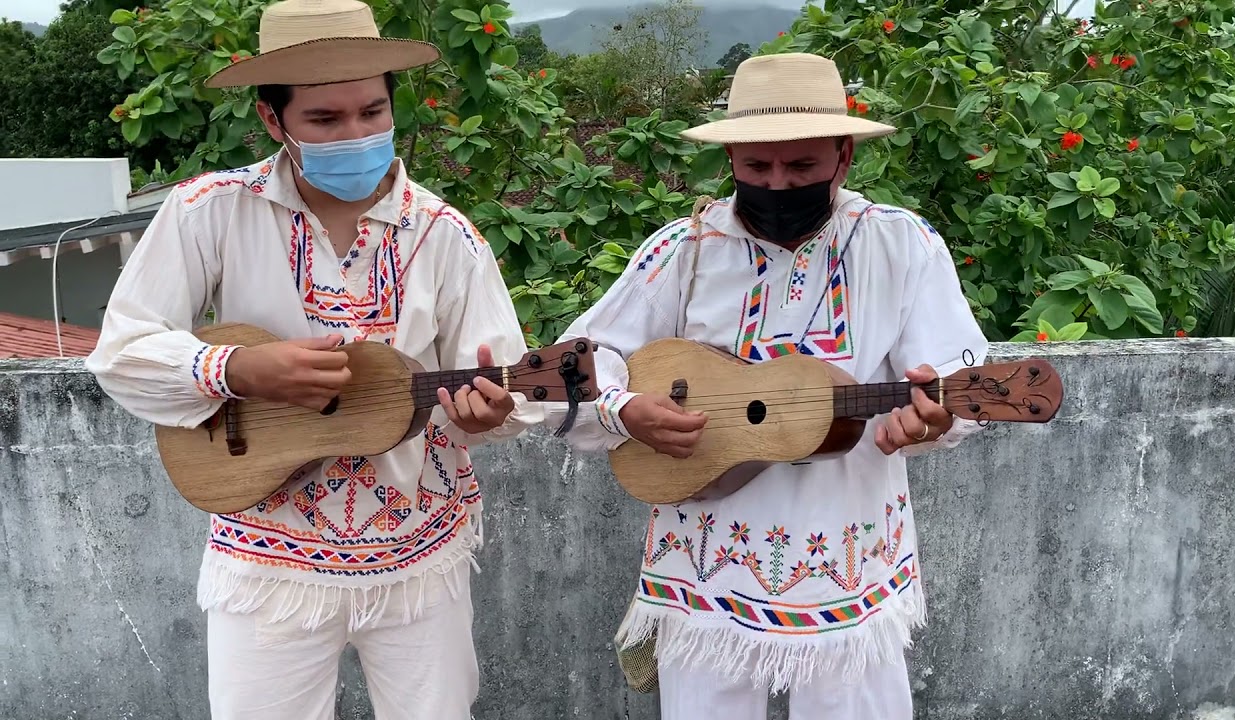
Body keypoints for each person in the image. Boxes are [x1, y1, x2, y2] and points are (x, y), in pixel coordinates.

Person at [85, 1, 542, 717]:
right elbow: (121, 351)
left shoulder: (447, 235)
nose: (356, 133)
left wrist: (492, 415)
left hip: (418, 555)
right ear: (274, 120)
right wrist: (235, 370)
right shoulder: (209, 209)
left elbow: (505, 381)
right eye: (325, 121)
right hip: (265, 554)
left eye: (370, 112)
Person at [552, 53, 990, 719]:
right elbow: (578, 358)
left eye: (801, 167)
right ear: (732, 160)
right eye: (757, 167)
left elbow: (955, 379)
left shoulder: (901, 245)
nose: (777, 184)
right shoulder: (687, 249)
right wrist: (623, 410)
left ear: (843, 157)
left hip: (846, 555)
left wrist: (931, 419)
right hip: (706, 557)